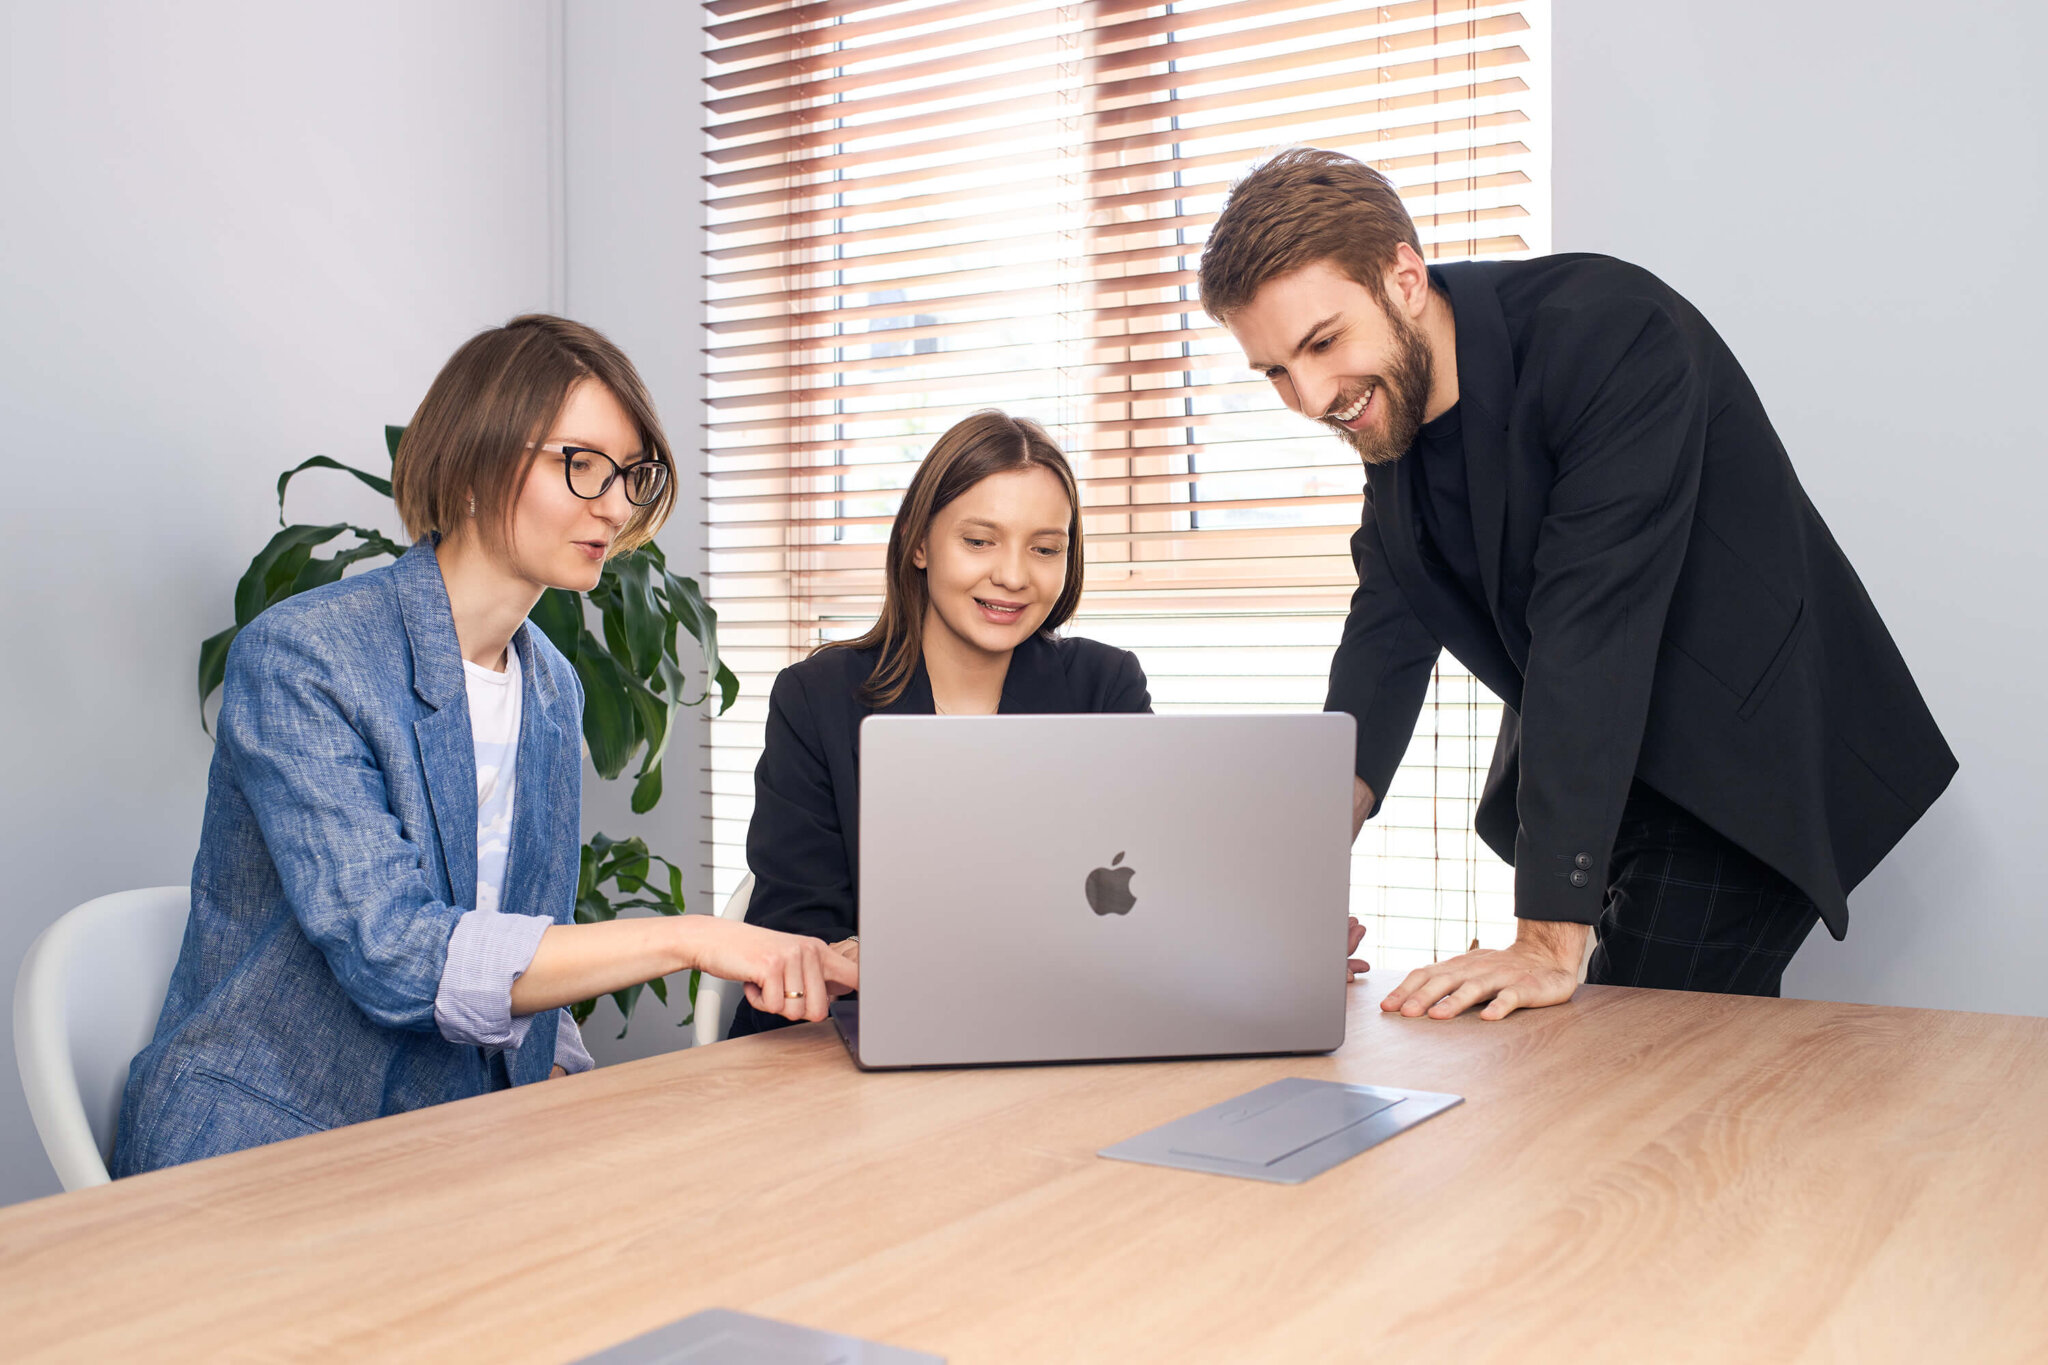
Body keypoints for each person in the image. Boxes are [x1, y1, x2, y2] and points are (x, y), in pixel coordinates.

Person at [1197, 149, 1955, 1021]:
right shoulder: (1392, 404)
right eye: (1276, 372)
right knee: (1615, 1082)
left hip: (1742, 764)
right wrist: (1304, 865)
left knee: (1634, 1065)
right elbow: (1388, 624)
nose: (1312, 395)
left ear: (1403, 276)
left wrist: (1549, 938)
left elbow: (1590, 625)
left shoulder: (1612, 333)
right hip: (1611, 769)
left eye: (1323, 343)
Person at [113, 316, 854, 1175]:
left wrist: (575, 1091)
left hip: (445, 1144)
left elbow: (518, 944)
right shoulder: (307, 657)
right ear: (474, 460)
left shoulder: (549, 688)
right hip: (264, 1148)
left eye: (630, 476)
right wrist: (692, 938)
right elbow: (396, 952)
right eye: (581, 464)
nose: (613, 505)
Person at [731, 411, 1171, 1038]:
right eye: (979, 541)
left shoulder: (1104, 686)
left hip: (1054, 1029)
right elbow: (797, 933)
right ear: (918, 542)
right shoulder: (816, 698)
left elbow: (1149, 895)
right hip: (852, 1047)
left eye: (1045, 549)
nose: (1015, 576)